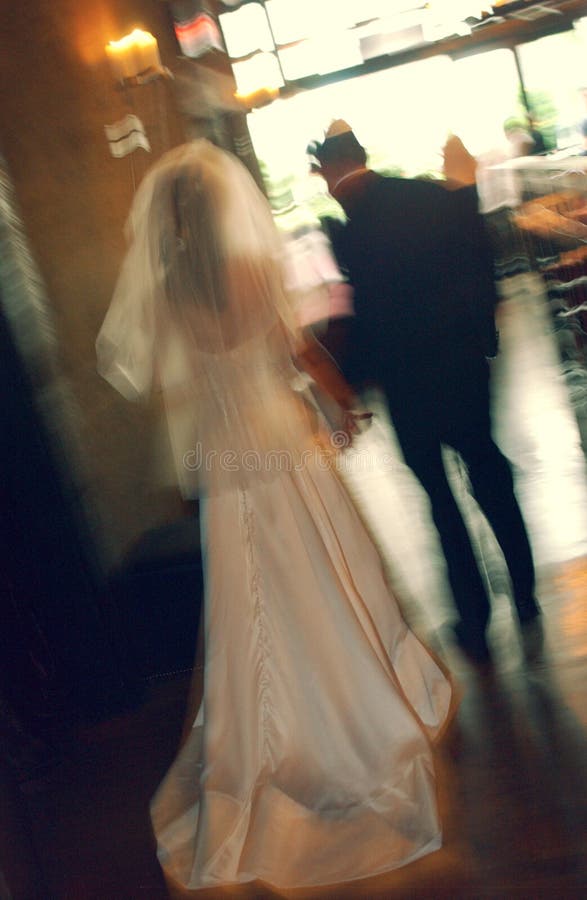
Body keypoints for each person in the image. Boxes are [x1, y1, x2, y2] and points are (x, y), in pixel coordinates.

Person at [96, 140, 453, 892]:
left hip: (228, 461)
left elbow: (180, 384)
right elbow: (297, 353)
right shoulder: (250, 270)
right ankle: (346, 712)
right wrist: (340, 401)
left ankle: (260, 738)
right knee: (319, 573)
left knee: (248, 600)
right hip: (278, 449)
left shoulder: (166, 289)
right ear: (227, 207)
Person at [307, 121, 541, 663]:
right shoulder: (430, 196)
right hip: (460, 368)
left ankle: (474, 618)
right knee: (489, 472)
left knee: (440, 501)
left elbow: (359, 315)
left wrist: (353, 383)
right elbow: (480, 267)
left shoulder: (347, 230)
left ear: (334, 170)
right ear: (363, 154)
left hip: (407, 386)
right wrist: (483, 344)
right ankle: (525, 594)